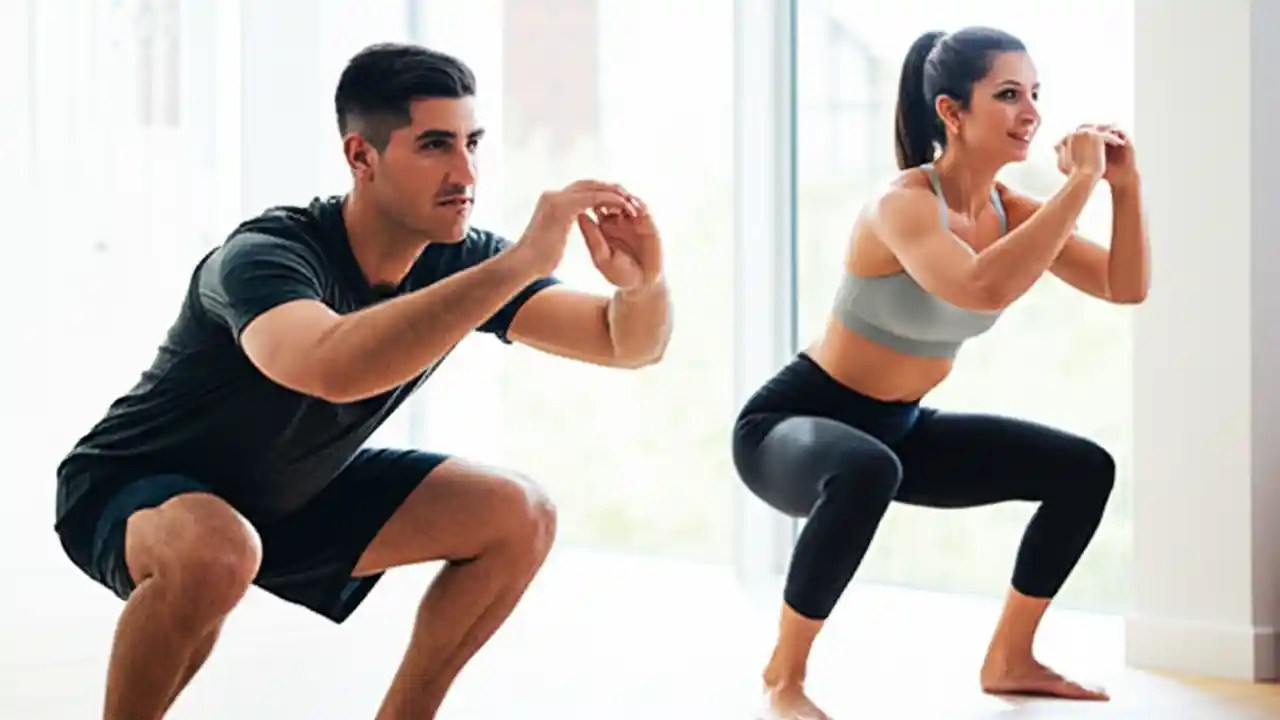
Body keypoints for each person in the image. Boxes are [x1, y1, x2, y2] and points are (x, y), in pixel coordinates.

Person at [52, 42, 672, 720]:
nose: (464, 171)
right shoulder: (265, 257)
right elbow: (331, 367)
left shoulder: (463, 260)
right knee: (218, 551)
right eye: (434, 145)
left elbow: (623, 344)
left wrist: (644, 284)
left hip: (290, 492)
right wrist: (519, 264)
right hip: (136, 483)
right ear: (361, 157)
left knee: (519, 513)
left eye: (472, 143)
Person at [732, 27, 1149, 720]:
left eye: (1035, 95)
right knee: (867, 468)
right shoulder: (902, 204)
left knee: (1084, 468)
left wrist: (1125, 189)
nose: (1031, 113)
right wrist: (1079, 183)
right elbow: (980, 287)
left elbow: (1123, 285)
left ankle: (1010, 659)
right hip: (793, 425)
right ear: (952, 113)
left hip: (899, 432)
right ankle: (784, 678)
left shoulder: (1007, 211)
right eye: (1008, 95)